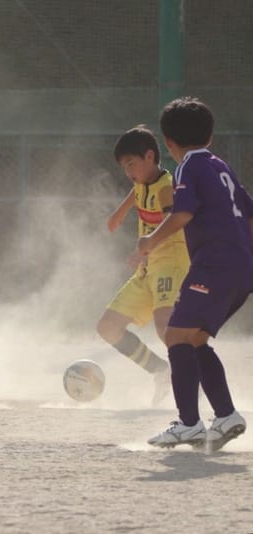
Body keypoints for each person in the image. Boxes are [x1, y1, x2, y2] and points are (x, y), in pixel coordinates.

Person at [141, 97, 251, 450]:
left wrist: (150, 241)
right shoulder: (222, 167)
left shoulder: (188, 166)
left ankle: (188, 423)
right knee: (195, 339)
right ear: (211, 136)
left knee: (175, 336)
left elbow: (183, 214)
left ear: (168, 143)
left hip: (214, 265)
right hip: (241, 268)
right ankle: (226, 417)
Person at [96, 126, 190, 405]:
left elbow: (172, 225)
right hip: (148, 267)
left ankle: (192, 388)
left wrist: (144, 249)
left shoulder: (166, 188)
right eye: (125, 167)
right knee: (108, 327)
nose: (128, 172)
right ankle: (160, 371)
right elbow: (136, 191)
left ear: (150, 157)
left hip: (171, 262)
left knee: (165, 327)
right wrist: (119, 213)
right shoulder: (142, 181)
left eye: (131, 164)